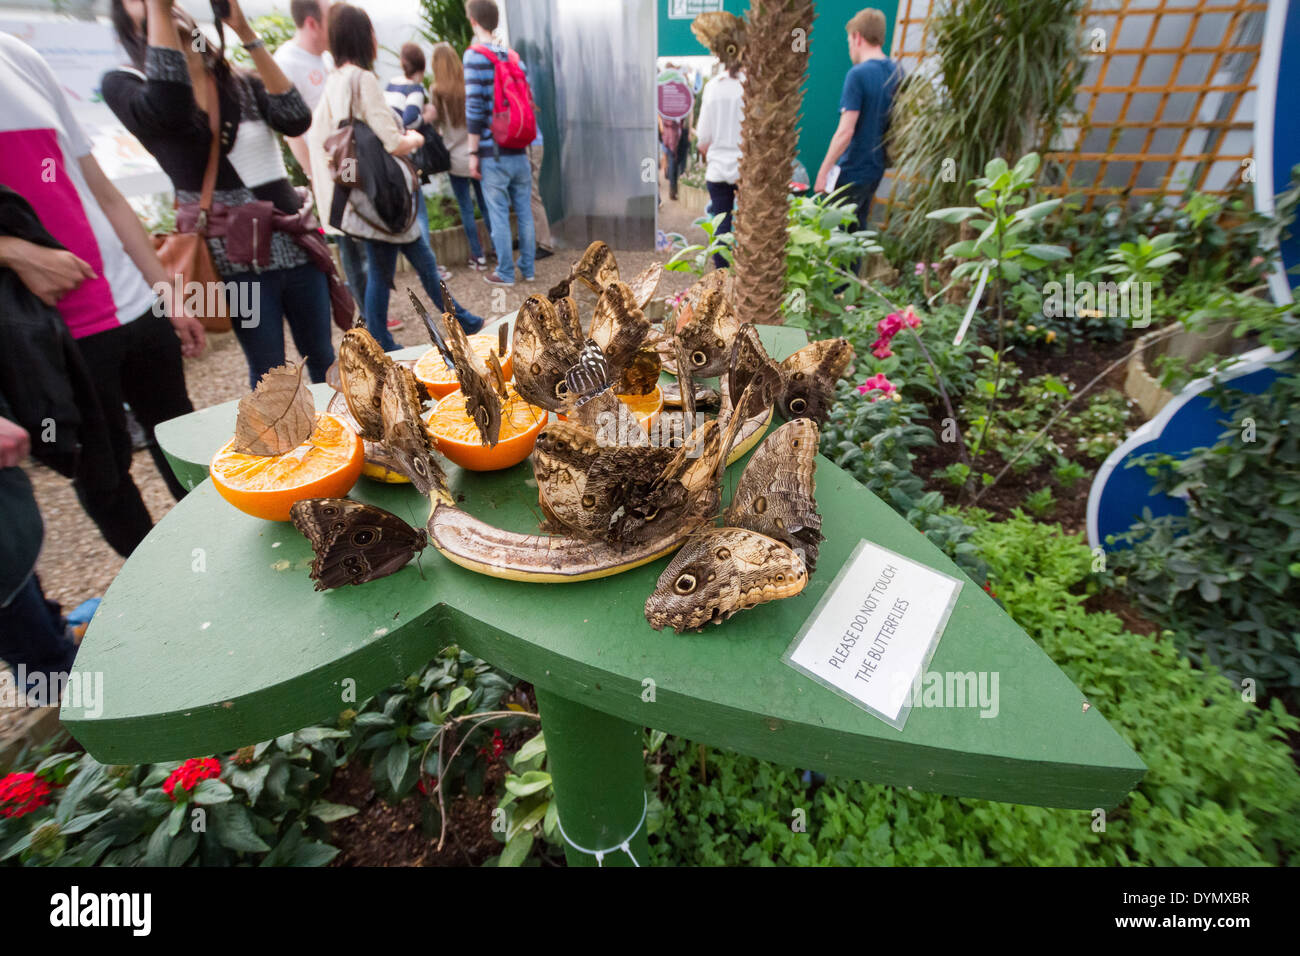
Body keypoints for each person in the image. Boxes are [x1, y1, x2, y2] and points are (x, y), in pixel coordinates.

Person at [0, 34, 202, 558]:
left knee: (180, 440)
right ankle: (154, 585)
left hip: (134, 304)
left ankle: (218, 559)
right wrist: (15, 252)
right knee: (102, 472)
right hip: (50, 334)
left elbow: (101, 191)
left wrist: (167, 293)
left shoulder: (19, 54)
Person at [106, 0, 338, 388]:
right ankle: (279, 447)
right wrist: (159, 14)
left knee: (324, 357)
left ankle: (344, 439)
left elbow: (296, 117)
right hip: (235, 262)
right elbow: (170, 106)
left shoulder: (242, 82)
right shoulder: (128, 86)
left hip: (296, 243)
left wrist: (244, 32)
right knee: (270, 374)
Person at [308, 3, 481, 351]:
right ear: (363, 37)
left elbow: (320, 138)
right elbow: (393, 140)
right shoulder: (363, 79)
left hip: (364, 193)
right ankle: (438, 325)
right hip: (387, 194)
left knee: (392, 266)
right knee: (410, 263)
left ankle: (426, 326)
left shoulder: (335, 81)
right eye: (371, 32)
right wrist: (416, 138)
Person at [274, 0, 379, 335]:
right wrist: (314, 176)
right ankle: (365, 317)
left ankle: (372, 312)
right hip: (327, 173)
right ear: (312, 22)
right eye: (327, 15)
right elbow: (293, 133)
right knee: (350, 244)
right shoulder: (286, 61)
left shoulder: (327, 60)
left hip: (349, 165)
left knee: (363, 238)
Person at [464, 0, 536, 287]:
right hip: (519, 147)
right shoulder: (515, 58)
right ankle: (528, 269)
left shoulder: (474, 57)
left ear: (473, 21)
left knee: (498, 213)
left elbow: (474, 109)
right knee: (524, 210)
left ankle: (506, 272)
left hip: (492, 151)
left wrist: (472, 152)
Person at [813, 8, 901, 232]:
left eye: (849, 40)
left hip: (852, 170)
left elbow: (846, 131)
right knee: (856, 235)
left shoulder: (858, 74)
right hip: (876, 169)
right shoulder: (896, 71)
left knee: (833, 237)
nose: (850, 47)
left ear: (857, 37)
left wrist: (824, 171)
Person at [385, 42, 448, 280]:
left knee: (413, 208)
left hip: (390, 158)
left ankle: (428, 267)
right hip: (406, 156)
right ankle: (431, 268)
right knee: (419, 211)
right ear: (422, 65)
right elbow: (409, 119)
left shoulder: (391, 84)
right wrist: (427, 116)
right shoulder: (415, 88)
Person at [430, 41, 493, 271]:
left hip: (454, 159)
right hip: (476, 154)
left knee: (466, 208)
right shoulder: (468, 86)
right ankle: (496, 248)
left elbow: (435, 124)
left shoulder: (436, 91)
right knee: (486, 205)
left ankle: (478, 256)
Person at [695, 51, 744, 270]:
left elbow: (703, 139)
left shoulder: (713, 87)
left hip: (717, 170)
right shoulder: (753, 86)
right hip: (748, 171)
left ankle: (722, 280)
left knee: (721, 225)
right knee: (752, 228)